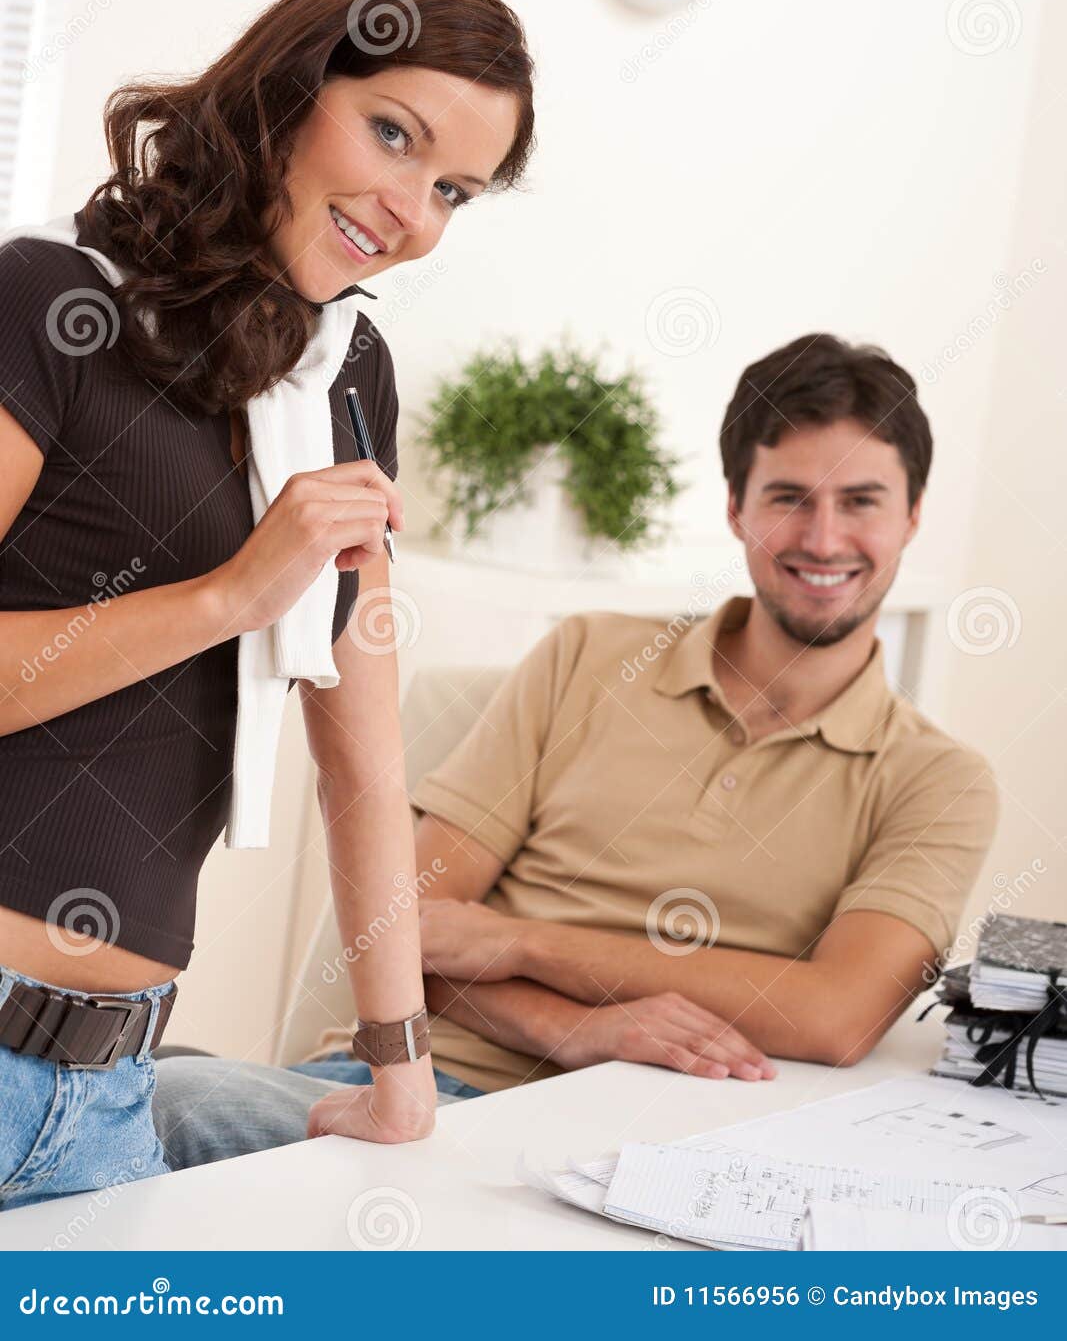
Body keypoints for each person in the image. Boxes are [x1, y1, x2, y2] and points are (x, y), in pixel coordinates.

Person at [152, 333, 998, 1169]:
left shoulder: (938, 781)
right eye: (787, 497)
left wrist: (523, 945)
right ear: (735, 508)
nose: (821, 538)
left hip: (643, 1147)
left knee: (156, 1105)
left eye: (859, 501)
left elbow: (835, 1016)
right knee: (145, 1107)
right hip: (413, 1091)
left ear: (912, 516)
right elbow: (406, 931)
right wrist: (582, 1028)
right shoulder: (587, 656)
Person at [0, 0, 535, 1208]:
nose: (409, 209)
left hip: (103, 1101)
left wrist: (398, 1060)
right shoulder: (47, 304)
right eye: (392, 134)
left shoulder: (350, 381)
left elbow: (365, 758)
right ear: (290, 91)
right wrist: (232, 595)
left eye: (451, 187)